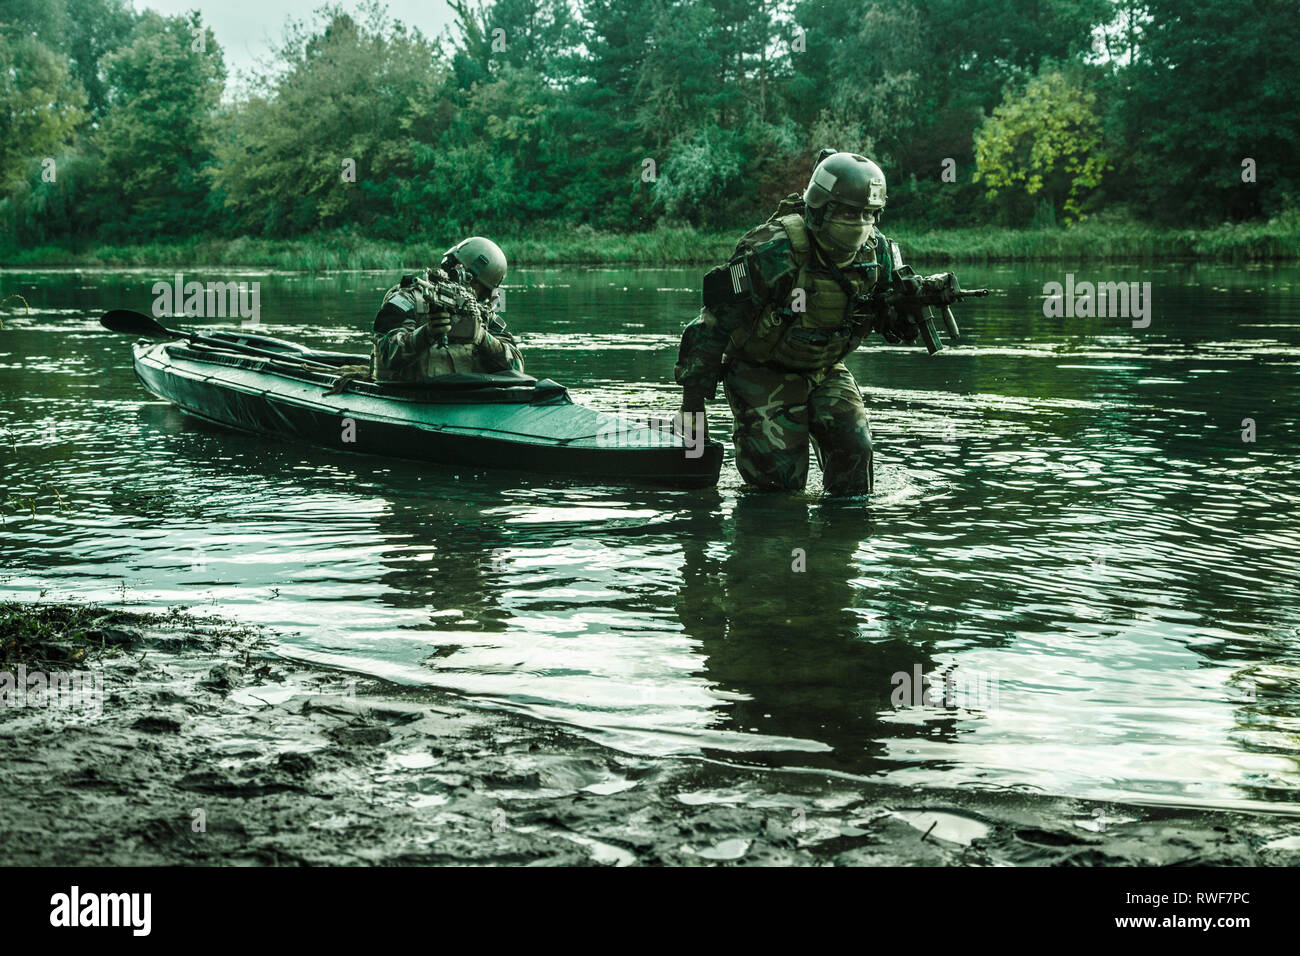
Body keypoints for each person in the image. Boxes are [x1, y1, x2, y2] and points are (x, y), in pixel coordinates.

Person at [673, 150, 926, 496]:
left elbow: (888, 321)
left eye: (869, 214)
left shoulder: (877, 254)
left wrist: (908, 312)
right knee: (778, 482)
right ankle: (772, 535)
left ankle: (838, 543)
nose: (860, 223)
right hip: (760, 370)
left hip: (824, 368)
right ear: (822, 209)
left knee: (855, 453)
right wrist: (692, 410)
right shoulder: (772, 251)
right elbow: (714, 322)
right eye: (850, 213)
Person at [371, 236, 523, 382]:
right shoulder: (409, 300)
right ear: (453, 269)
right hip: (413, 397)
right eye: (471, 282)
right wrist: (426, 334)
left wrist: (482, 338)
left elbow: (516, 366)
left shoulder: (480, 313)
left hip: (468, 399)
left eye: (480, 288)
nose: (471, 291)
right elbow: (386, 353)